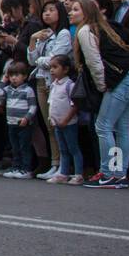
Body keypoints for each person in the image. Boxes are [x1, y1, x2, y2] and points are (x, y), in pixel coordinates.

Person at [72, 0, 129, 188]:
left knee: (103, 126)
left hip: (121, 82)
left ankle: (109, 173)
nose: (71, 12)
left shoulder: (86, 31)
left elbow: (94, 63)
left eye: (76, 9)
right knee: (121, 127)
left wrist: (102, 87)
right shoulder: (103, 27)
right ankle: (119, 173)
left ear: (86, 13)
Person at [27, 0, 72, 181]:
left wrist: (41, 61)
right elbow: (32, 59)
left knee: (58, 125)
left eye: (52, 10)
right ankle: (55, 163)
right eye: (45, 10)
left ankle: (64, 164)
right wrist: (32, 39)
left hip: (56, 84)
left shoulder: (63, 34)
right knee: (48, 125)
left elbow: (54, 60)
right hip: (40, 81)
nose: (47, 13)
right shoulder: (43, 34)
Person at [0, 61, 37, 178]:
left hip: (23, 123)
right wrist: (4, 78)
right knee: (15, 147)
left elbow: (33, 106)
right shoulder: (8, 89)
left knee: (24, 146)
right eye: (11, 75)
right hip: (11, 122)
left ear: (25, 76)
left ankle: (26, 168)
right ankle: (16, 167)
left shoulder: (28, 90)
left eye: (17, 75)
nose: (13, 78)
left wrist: (27, 118)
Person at [45, 54, 83, 185]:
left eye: (55, 67)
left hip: (69, 123)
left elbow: (75, 105)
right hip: (57, 123)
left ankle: (78, 174)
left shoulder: (69, 85)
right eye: (50, 67)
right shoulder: (54, 85)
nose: (52, 70)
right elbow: (51, 102)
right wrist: (51, 118)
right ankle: (63, 173)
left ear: (66, 69)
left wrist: (66, 120)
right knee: (62, 149)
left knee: (73, 148)